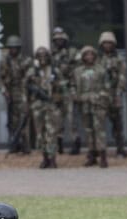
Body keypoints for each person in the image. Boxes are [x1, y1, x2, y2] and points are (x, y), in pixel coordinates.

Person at [72, 46, 110, 168]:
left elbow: (107, 87)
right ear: (83, 57)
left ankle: (103, 156)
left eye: (91, 54)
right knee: (88, 130)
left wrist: (99, 96)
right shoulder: (77, 71)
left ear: (95, 56)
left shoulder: (101, 70)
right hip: (84, 104)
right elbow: (72, 85)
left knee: (99, 130)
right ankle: (92, 155)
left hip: (98, 104)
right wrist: (76, 96)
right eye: (86, 55)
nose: (89, 57)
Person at [25, 47, 61, 169]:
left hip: (51, 104)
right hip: (37, 105)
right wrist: (27, 103)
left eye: (45, 55)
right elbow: (24, 87)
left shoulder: (54, 71)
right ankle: (44, 157)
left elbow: (63, 86)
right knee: (40, 133)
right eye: (40, 56)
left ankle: (52, 159)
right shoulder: (32, 71)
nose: (42, 58)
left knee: (52, 132)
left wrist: (58, 96)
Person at [0, 35, 32, 155]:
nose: (13, 50)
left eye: (15, 48)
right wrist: (4, 91)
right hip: (10, 92)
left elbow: (30, 77)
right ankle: (15, 144)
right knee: (12, 120)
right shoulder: (4, 61)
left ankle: (25, 145)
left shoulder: (26, 60)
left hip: (23, 91)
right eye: (11, 48)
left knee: (24, 119)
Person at [98, 31, 127, 158]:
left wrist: (118, 93)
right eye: (105, 43)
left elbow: (122, 76)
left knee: (117, 123)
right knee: (99, 124)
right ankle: (100, 150)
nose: (107, 45)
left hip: (114, 93)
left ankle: (120, 149)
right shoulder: (97, 58)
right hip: (100, 95)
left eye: (110, 43)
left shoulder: (118, 58)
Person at [51, 27, 81, 155]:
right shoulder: (50, 55)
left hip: (69, 89)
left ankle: (76, 144)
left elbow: (78, 69)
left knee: (72, 118)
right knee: (57, 119)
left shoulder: (72, 52)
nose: (59, 41)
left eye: (61, 39)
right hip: (56, 91)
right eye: (56, 39)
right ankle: (59, 144)